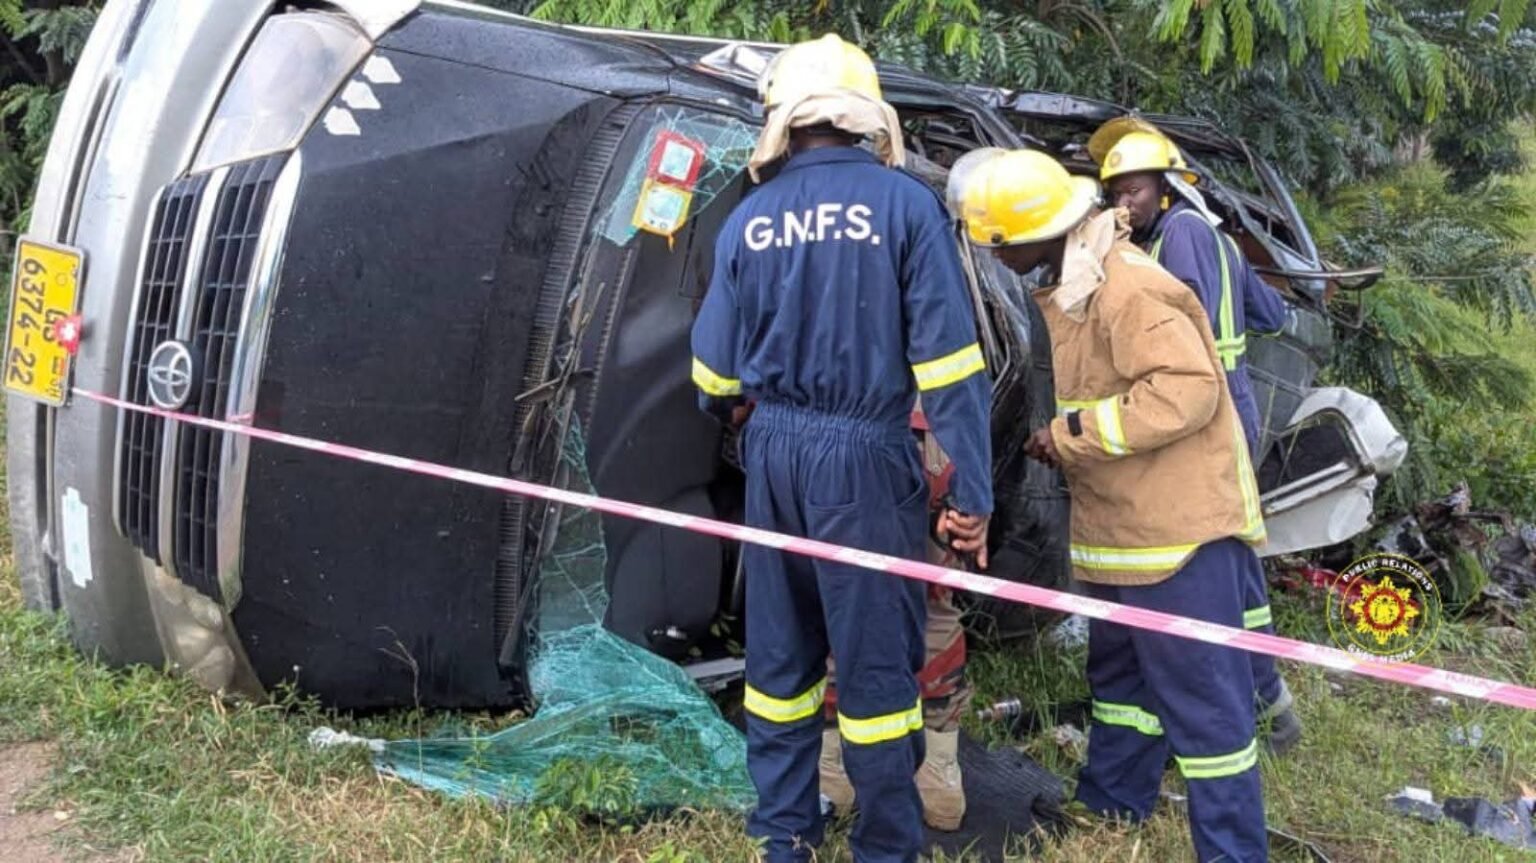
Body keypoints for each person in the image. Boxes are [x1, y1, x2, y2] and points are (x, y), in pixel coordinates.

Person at [690, 34, 993, 863]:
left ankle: (784, 835)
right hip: (867, 459)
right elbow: (952, 369)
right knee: (875, 675)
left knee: (780, 660)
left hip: (777, 456)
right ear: (866, 119)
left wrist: (765, 405)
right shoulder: (904, 208)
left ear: (784, 120)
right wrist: (972, 496)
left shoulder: (747, 219)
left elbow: (711, 373)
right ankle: (886, 846)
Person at [952, 148, 1269, 862]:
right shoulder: (1078, 285)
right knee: (1121, 681)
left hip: (1176, 540)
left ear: (1038, 233)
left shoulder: (1127, 288)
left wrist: (1073, 434)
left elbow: (1187, 389)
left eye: (1003, 247)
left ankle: (1233, 849)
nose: (1000, 263)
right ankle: (1113, 798)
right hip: (1126, 535)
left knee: (1206, 711)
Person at [1093, 120, 1302, 754]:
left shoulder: (1180, 235)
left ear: (1167, 188)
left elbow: (1185, 334)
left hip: (1203, 417)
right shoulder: (1220, 241)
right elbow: (1276, 316)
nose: (1123, 204)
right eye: (1116, 194)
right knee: (1234, 565)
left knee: (1204, 564)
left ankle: (1240, 708)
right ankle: (1273, 707)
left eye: (1133, 191)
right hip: (1232, 410)